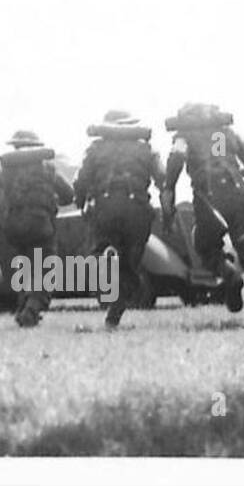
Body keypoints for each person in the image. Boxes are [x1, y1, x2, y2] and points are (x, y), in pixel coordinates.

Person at [161, 102, 244, 321]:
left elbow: (176, 160)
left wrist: (169, 189)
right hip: (241, 196)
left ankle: (229, 274)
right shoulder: (223, 134)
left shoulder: (183, 137)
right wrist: (237, 172)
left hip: (208, 200)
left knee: (205, 245)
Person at [74, 111, 165, 328]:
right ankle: (113, 317)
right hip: (137, 212)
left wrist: (81, 203)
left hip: (104, 210)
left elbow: (80, 182)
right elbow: (163, 179)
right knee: (130, 270)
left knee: (99, 253)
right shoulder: (146, 149)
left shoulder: (95, 149)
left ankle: (105, 258)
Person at [0, 130, 74, 328]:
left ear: (16, 146)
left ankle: (23, 309)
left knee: (24, 267)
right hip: (40, 224)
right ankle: (32, 309)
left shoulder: (4, 168)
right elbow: (68, 195)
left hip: (13, 226)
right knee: (46, 269)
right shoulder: (47, 168)